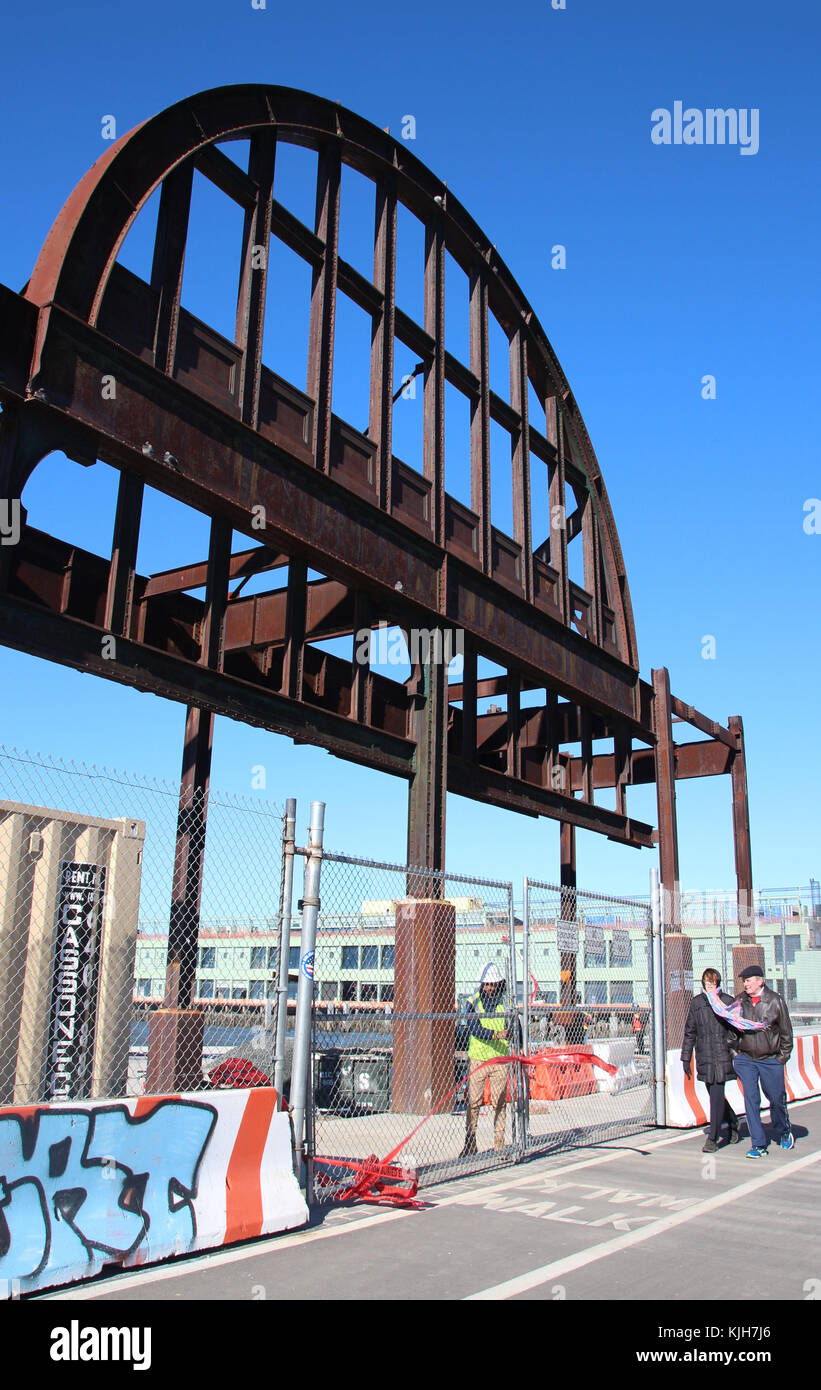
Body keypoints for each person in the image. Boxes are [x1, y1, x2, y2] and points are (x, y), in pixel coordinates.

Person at [731, 964, 795, 1159]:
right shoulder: (740, 1002)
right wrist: (736, 1054)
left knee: (776, 1099)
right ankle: (758, 1144)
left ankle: (784, 1130)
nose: (746, 984)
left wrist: (780, 1058)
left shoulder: (775, 1001)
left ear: (760, 981)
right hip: (747, 1060)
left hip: (770, 1060)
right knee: (751, 1100)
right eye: (744, 981)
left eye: (749, 980)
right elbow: (731, 1029)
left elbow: (786, 1033)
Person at [680, 968, 740, 1152]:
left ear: (718, 983)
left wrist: (732, 1048)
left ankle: (713, 1139)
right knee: (714, 1094)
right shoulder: (697, 1003)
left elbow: (736, 1029)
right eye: (707, 983)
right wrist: (686, 1057)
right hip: (705, 1055)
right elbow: (690, 1031)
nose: (710, 986)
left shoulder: (727, 1002)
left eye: (713, 983)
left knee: (715, 1096)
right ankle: (732, 1121)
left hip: (722, 1055)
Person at [460, 962, 511, 1156]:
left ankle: (499, 1142)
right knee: (474, 1101)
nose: (489, 988)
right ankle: (470, 1142)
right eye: (487, 984)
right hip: (479, 1059)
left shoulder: (505, 1003)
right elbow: (474, 1028)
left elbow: (514, 1026)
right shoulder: (473, 1002)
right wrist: (496, 1035)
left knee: (499, 1102)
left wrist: (512, 1034)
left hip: (499, 1059)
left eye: (493, 984)